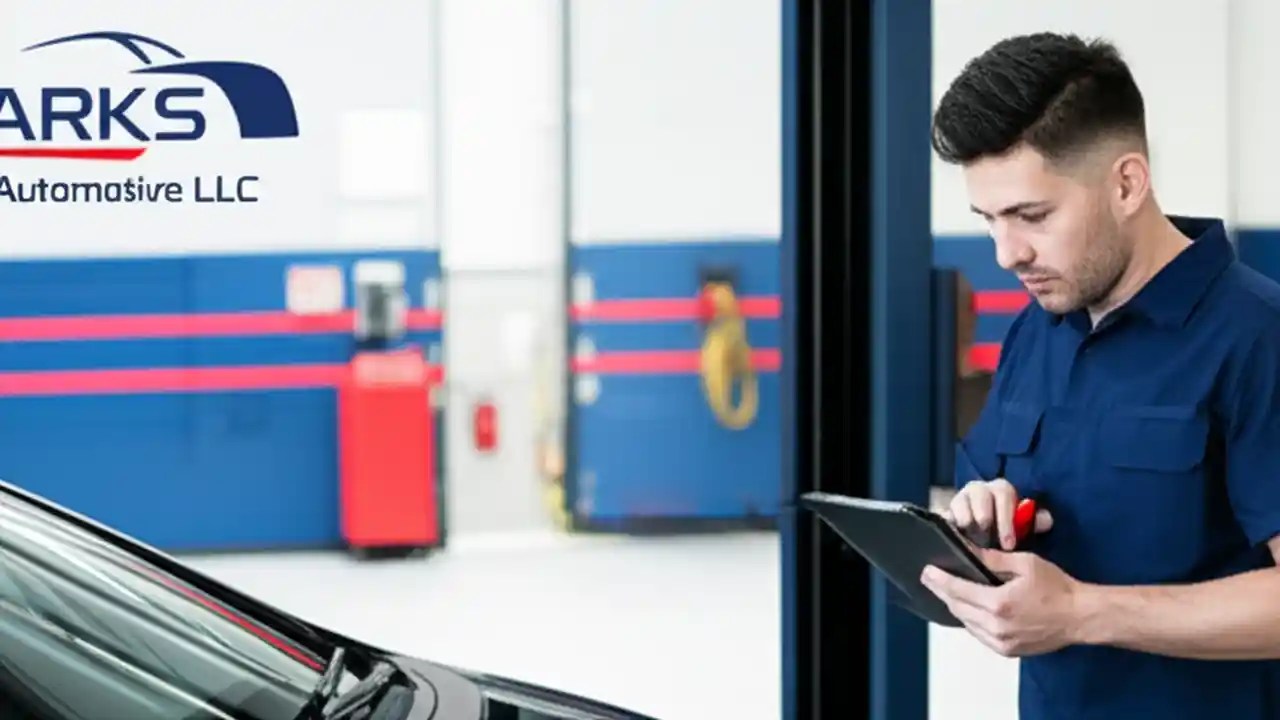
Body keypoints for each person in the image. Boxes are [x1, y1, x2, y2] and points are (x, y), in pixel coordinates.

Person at [920, 32, 1280, 719]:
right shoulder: (1038, 330)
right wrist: (980, 521)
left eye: (1032, 216)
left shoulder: (1257, 338)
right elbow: (994, 503)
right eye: (989, 220)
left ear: (1126, 183)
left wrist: (1084, 612)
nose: (1007, 253)